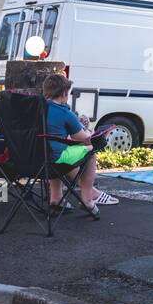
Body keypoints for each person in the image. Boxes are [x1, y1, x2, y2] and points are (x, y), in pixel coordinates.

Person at [42, 73, 118, 212]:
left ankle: (56, 197)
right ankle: (87, 198)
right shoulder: (65, 113)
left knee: (53, 148)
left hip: (33, 160)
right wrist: (88, 130)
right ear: (64, 93)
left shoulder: (36, 109)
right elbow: (84, 139)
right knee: (90, 151)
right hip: (54, 159)